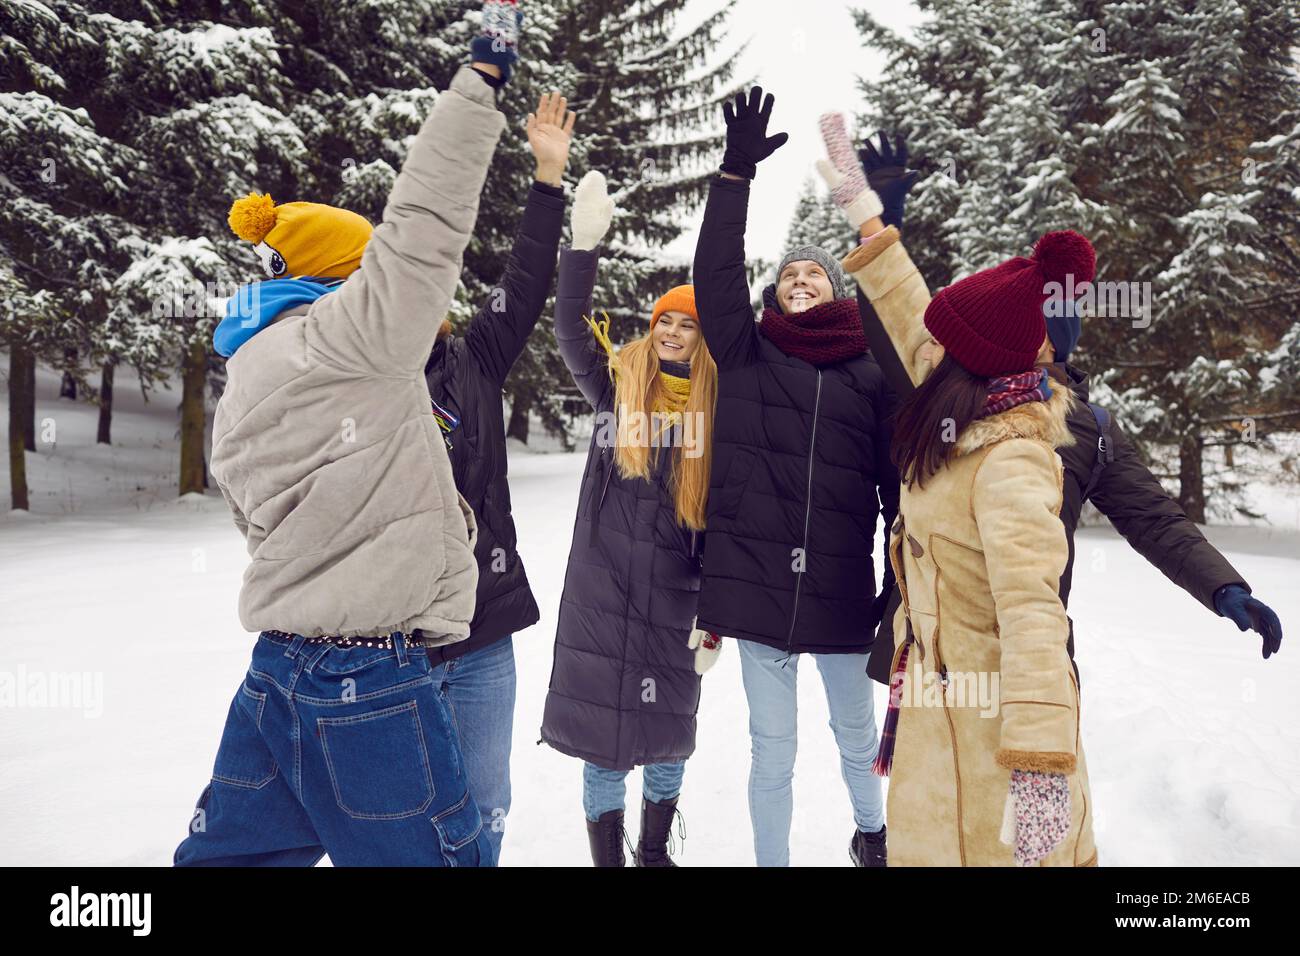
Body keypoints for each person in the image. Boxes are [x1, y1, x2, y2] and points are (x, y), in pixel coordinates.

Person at [173, 12, 518, 866]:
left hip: (279, 673)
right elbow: (426, 222)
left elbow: (254, 519)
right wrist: (482, 82)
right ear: (349, 277)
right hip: (364, 680)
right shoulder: (356, 335)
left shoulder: (246, 370)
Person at [843, 131, 1283, 685]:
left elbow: (1152, 518)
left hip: (1024, 655)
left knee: (1025, 766)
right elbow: (896, 309)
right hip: (928, 647)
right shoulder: (943, 387)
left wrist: (1223, 587)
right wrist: (878, 218)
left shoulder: (1088, 428)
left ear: (1043, 340)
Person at [819, 113, 1099, 864]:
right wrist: (862, 206)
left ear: (975, 355)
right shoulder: (959, 398)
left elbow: (1035, 614)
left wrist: (1040, 768)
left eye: (949, 338)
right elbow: (910, 308)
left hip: (993, 733)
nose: (931, 344)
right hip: (932, 710)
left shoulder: (1010, 458)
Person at [690, 90, 897, 868]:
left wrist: (896, 589)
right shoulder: (745, 352)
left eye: (815, 274)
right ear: (773, 295)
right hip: (754, 585)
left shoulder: (868, 375)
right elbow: (713, 272)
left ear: (836, 293)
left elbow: (893, 490)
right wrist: (734, 173)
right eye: (789, 276)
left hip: (842, 587)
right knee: (771, 748)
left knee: (856, 734)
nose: (801, 280)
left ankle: (871, 839)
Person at [540, 171, 718, 867]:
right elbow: (566, 328)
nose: (672, 332)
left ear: (703, 340)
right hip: (603, 596)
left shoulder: (717, 414)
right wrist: (583, 246)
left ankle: (654, 852)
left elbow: (722, 526)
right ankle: (609, 859)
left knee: (671, 729)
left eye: (687, 324)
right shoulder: (618, 391)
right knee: (605, 737)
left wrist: (719, 613)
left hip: (679, 598)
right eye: (664, 321)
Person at [422, 90, 576, 864]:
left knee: (486, 807)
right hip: (393, 643)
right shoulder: (353, 379)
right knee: (401, 816)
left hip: (482, 632)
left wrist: (547, 180)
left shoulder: (473, 357)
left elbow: (522, 280)